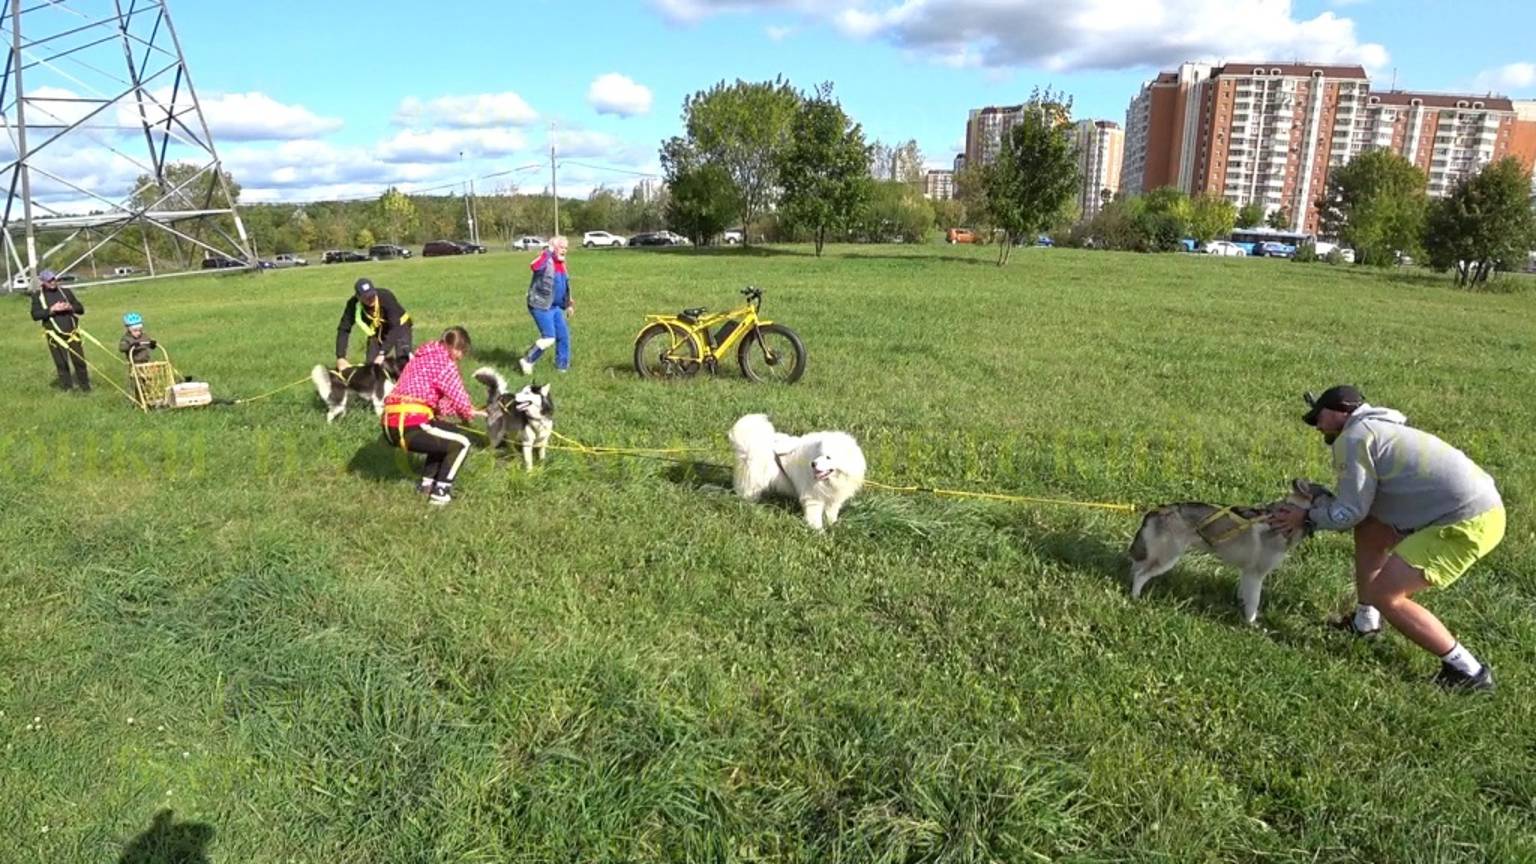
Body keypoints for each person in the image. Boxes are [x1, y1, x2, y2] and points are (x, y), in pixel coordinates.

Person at [1268, 385, 1505, 692]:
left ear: (1341, 411)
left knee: (1387, 595)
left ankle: (1468, 673)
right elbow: (1363, 512)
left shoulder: (1354, 439)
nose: (1317, 425)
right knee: (1370, 529)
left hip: (1465, 522)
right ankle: (1365, 623)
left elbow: (1350, 511)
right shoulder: (1378, 428)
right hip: (1472, 507)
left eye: (1320, 416)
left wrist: (1307, 517)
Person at [380, 326, 483, 506]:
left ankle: (426, 484)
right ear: (456, 348)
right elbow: (459, 397)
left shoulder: (419, 358)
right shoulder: (445, 363)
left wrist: (455, 413)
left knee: (443, 432)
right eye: (462, 353)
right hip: (410, 424)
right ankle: (441, 491)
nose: (460, 358)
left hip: (390, 423)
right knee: (462, 443)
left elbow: (431, 400)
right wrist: (469, 414)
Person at [518, 236, 573, 375]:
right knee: (549, 337)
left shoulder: (562, 264)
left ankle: (562, 367)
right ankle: (528, 359)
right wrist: (547, 252)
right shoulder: (546, 260)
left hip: (554, 307)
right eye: (561, 247)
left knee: (563, 336)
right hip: (540, 305)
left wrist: (568, 304)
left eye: (566, 248)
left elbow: (563, 285)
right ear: (552, 247)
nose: (564, 250)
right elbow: (534, 266)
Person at [29, 269, 90, 392]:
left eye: (54, 279)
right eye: (49, 280)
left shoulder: (65, 292)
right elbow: (35, 315)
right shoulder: (38, 296)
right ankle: (67, 388)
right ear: (43, 282)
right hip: (54, 335)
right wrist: (52, 310)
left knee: (79, 361)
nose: (52, 282)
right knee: (62, 363)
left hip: (72, 333)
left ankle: (85, 388)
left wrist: (70, 307)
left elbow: (80, 309)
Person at [337, 277, 412, 372]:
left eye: (372, 295)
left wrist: (382, 353)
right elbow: (344, 329)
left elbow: (395, 326)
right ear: (358, 297)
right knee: (371, 368)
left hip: (399, 325)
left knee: (403, 363)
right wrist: (341, 357)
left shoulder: (386, 296)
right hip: (377, 329)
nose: (370, 299)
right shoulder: (353, 305)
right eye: (366, 297)